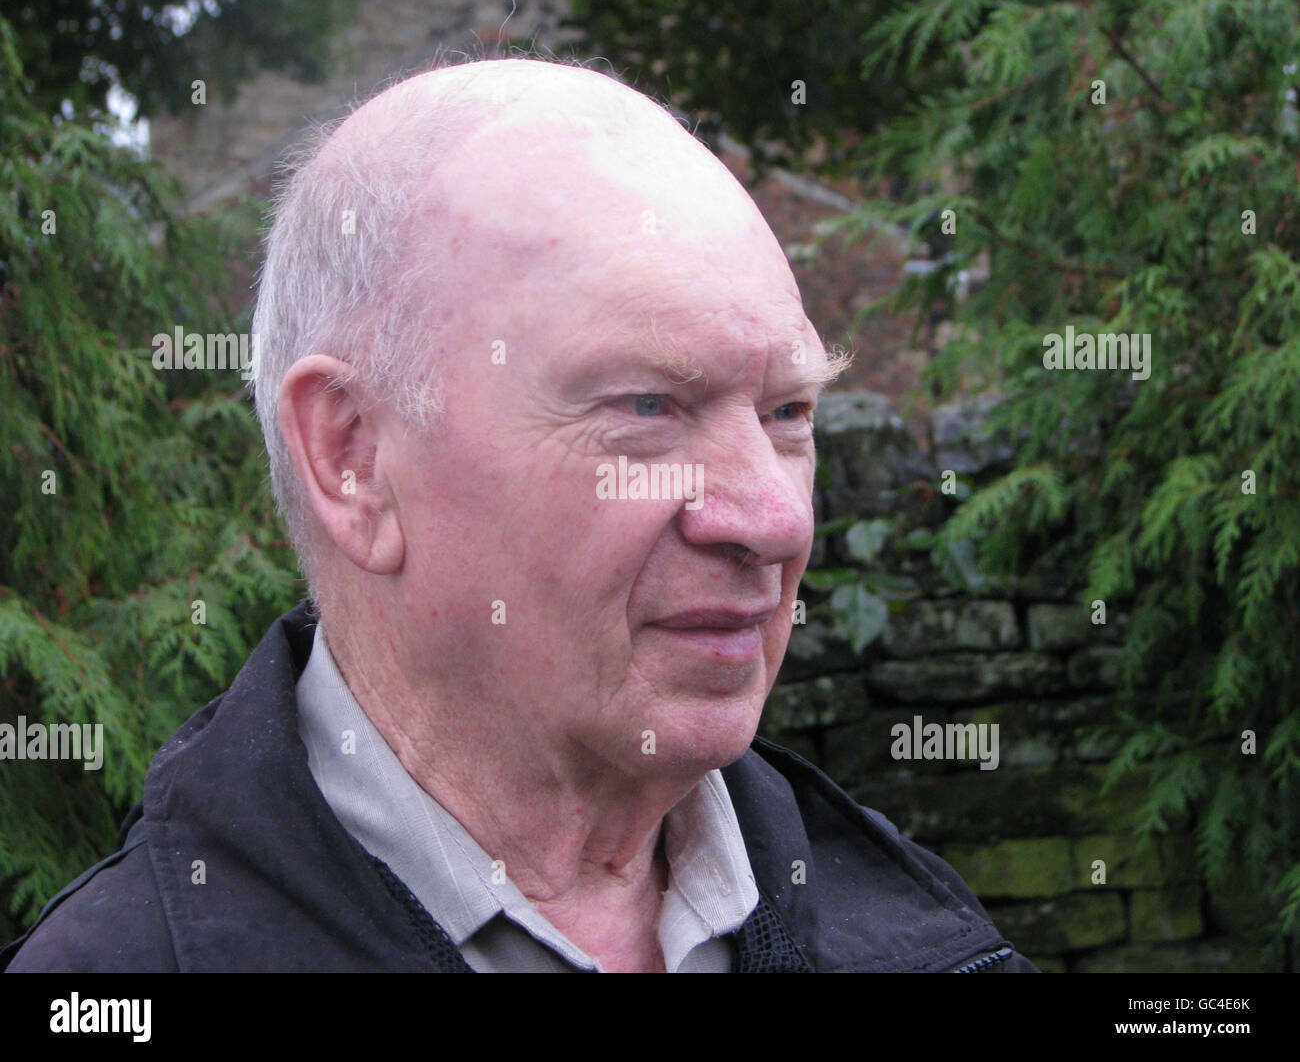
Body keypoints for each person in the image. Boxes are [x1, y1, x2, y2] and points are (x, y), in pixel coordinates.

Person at [3, 55, 1036, 973]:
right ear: (353, 455)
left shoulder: (926, 935)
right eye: (646, 407)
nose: (771, 518)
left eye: (788, 411)